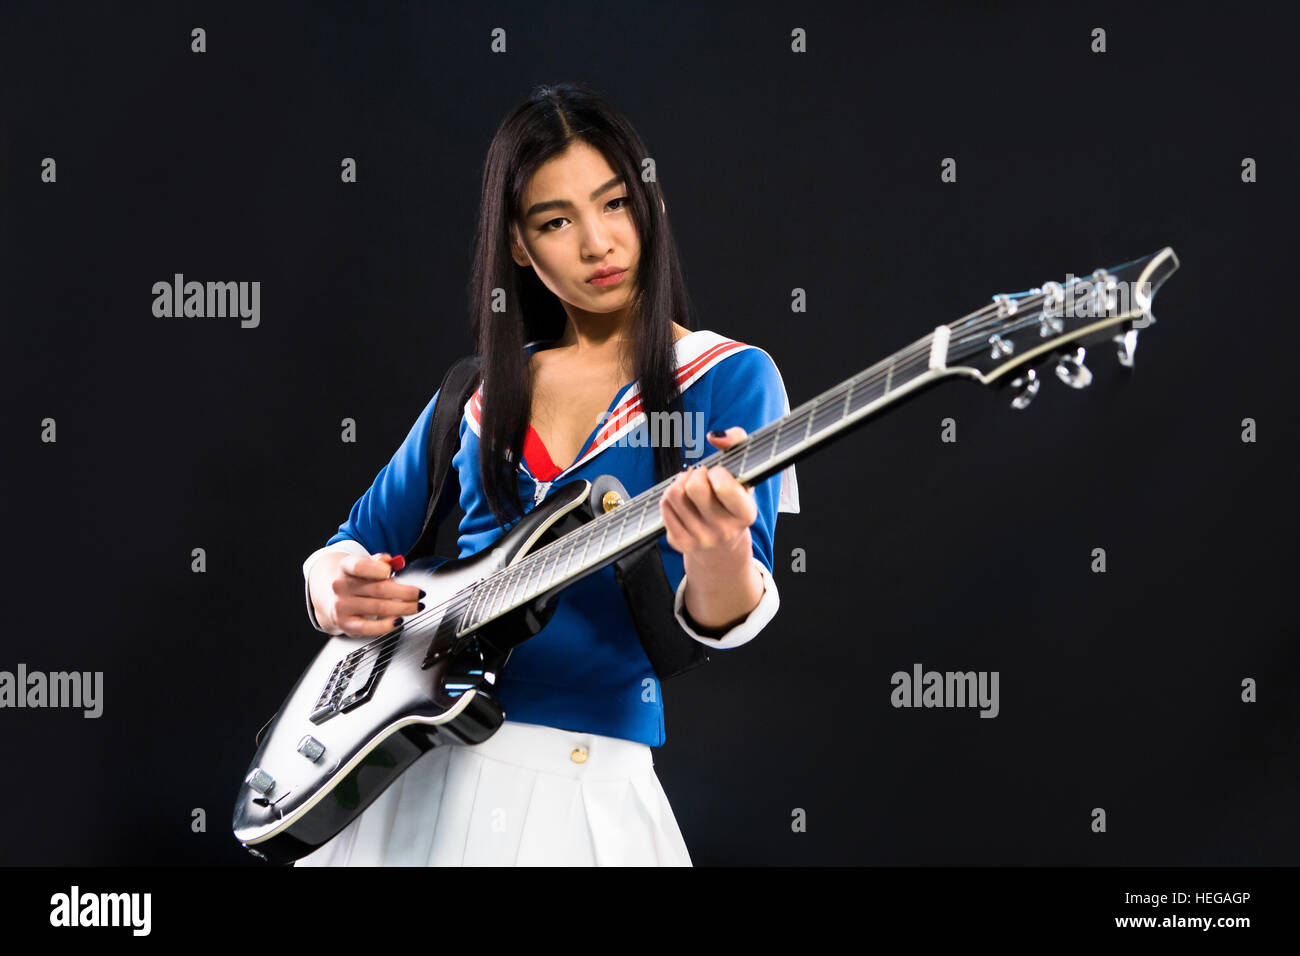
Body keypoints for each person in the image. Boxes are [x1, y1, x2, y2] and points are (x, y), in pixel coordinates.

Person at [293, 82, 799, 866]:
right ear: (521, 249)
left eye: (615, 204)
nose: (597, 243)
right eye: (556, 222)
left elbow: (724, 615)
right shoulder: (478, 393)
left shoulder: (729, 379)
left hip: (584, 786)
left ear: (652, 207)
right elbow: (348, 545)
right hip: (415, 779)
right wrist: (330, 583)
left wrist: (721, 549)